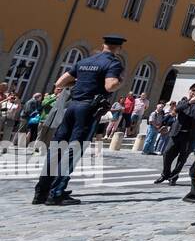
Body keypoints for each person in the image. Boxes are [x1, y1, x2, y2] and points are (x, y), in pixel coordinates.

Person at [33, 34, 126, 206]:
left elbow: (60, 83)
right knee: (73, 150)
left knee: (57, 148)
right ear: (118, 48)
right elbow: (110, 85)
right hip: (88, 109)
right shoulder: (113, 63)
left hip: (72, 107)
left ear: (104, 44)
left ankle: (41, 192)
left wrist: (81, 83)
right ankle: (57, 192)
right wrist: (120, 81)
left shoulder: (85, 62)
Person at [156, 84, 195, 185]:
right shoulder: (183, 101)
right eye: (193, 90)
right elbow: (177, 109)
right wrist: (189, 102)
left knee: (182, 158)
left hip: (190, 135)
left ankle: (173, 176)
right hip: (176, 133)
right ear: (189, 91)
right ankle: (165, 173)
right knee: (167, 153)